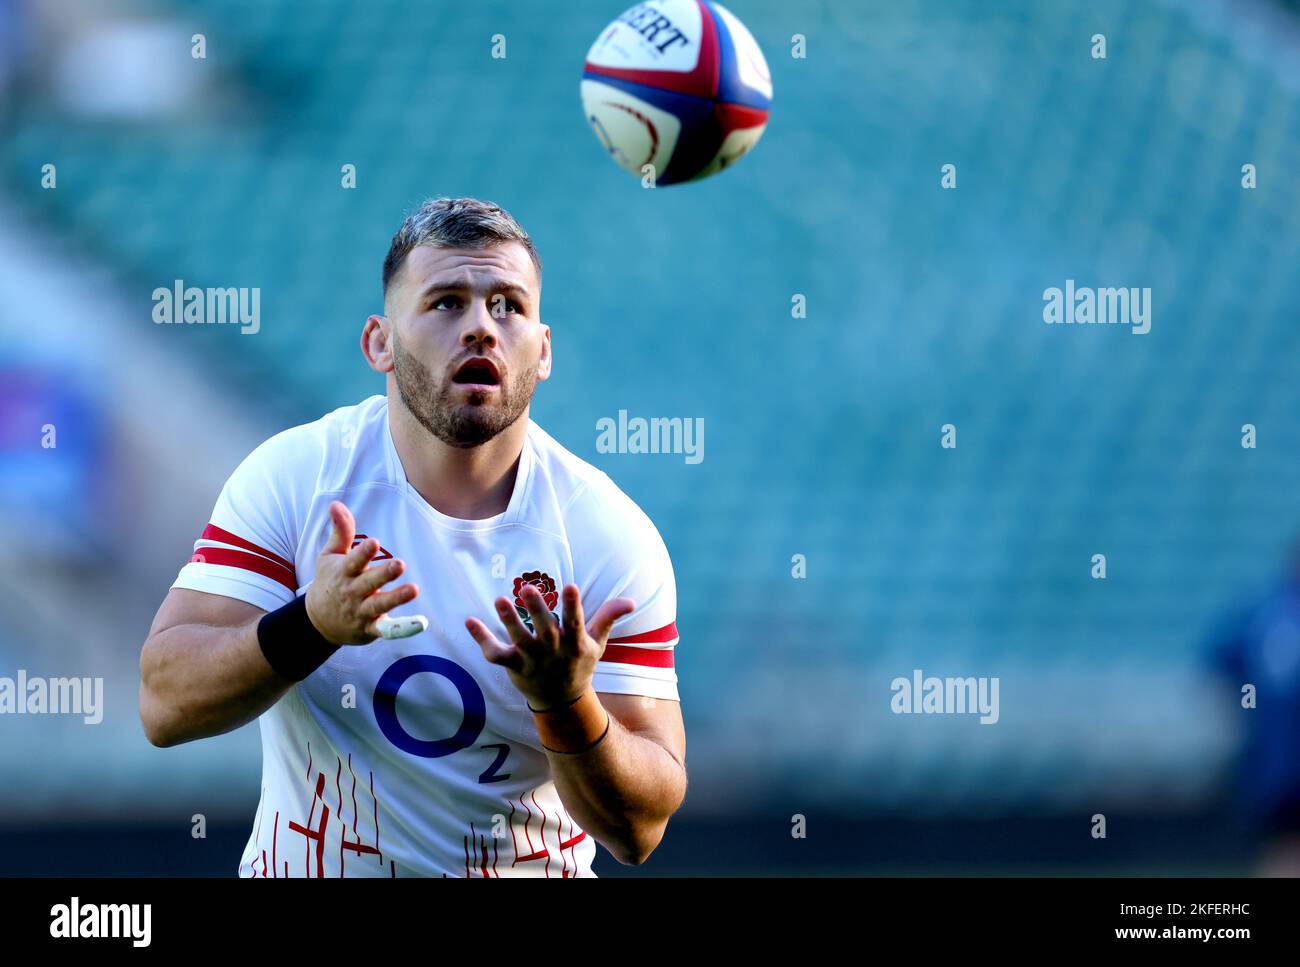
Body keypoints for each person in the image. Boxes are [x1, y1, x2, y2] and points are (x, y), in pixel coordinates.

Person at [139, 197, 686, 877]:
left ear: (542, 352)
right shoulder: (298, 476)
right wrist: (310, 625)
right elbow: (165, 703)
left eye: (508, 305)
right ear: (380, 343)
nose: (482, 328)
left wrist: (565, 700)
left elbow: (640, 829)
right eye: (447, 302)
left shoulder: (604, 533)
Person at [1208, 539, 1300, 877]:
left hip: (1272, 764)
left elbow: (1219, 666)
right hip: (1281, 759)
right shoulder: (1266, 613)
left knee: (1283, 849)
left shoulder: (1260, 612)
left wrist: (1248, 717)